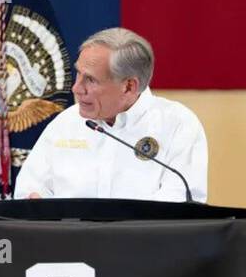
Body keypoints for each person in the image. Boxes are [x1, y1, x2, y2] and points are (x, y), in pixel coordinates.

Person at [14, 27, 208, 202]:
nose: (76, 88)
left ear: (129, 87)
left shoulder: (178, 124)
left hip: (142, 241)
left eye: (90, 79)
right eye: (78, 74)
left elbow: (179, 205)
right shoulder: (66, 123)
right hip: (69, 240)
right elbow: (30, 189)